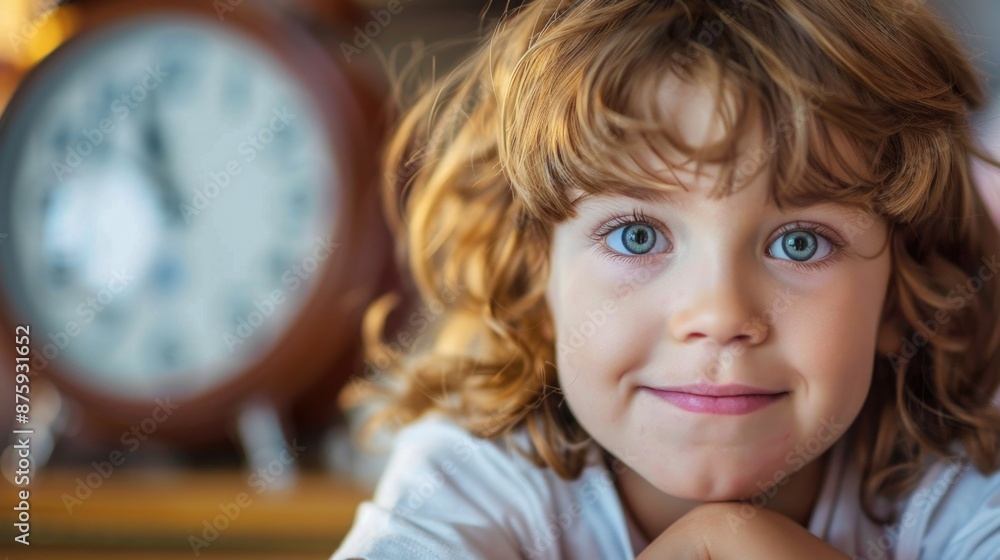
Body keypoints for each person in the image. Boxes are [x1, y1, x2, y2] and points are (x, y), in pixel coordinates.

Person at [331, 0, 1000, 558]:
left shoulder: (956, 489)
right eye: (637, 236)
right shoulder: (475, 479)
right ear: (536, 284)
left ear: (900, 297)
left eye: (799, 243)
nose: (718, 313)